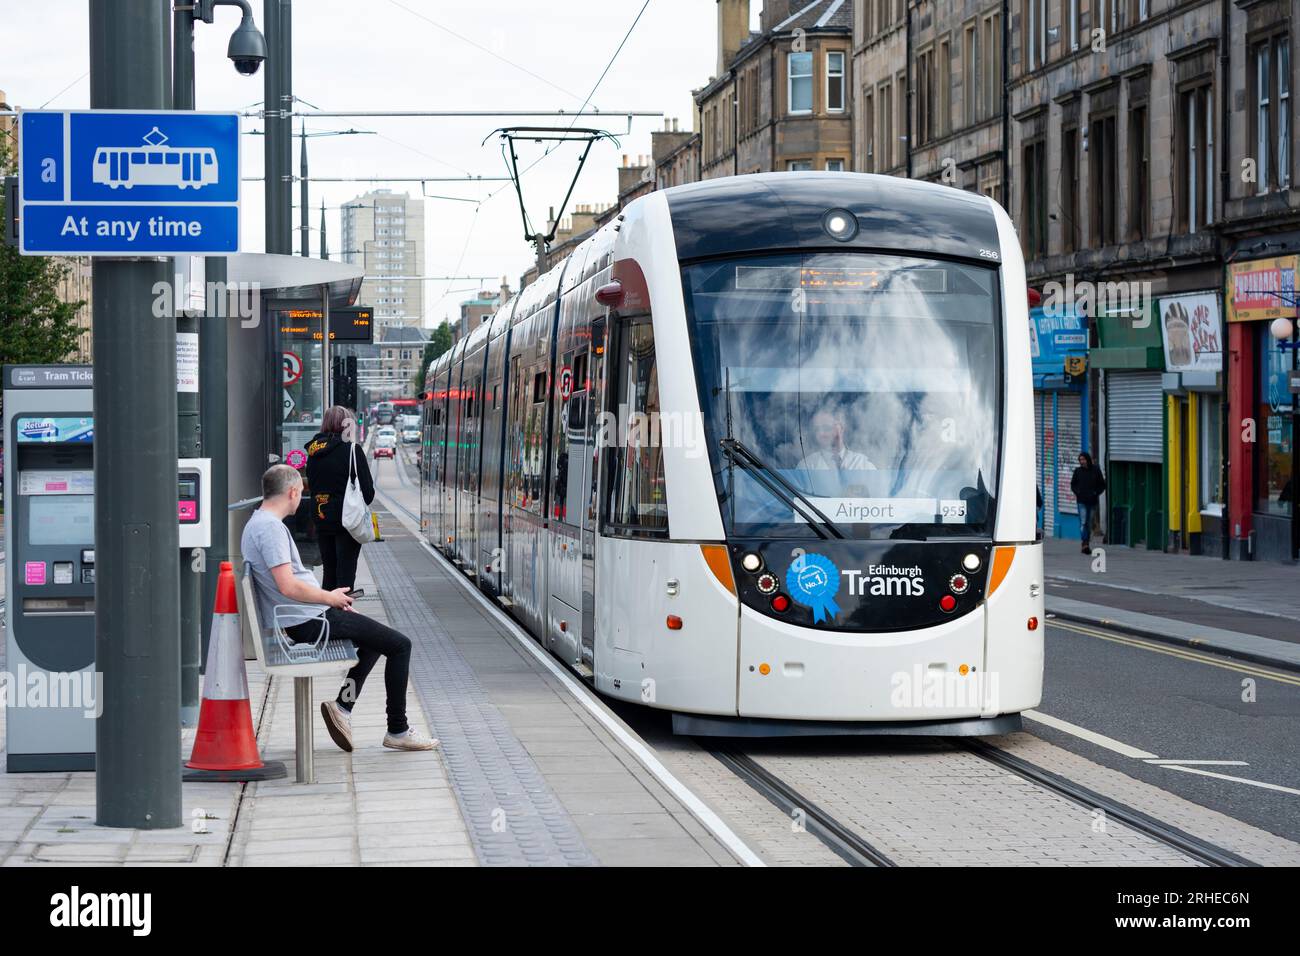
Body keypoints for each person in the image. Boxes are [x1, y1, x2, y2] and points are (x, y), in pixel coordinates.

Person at [241, 464, 436, 753]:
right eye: (300, 492)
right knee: (400, 645)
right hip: (306, 620)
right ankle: (398, 729)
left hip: (303, 616)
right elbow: (288, 586)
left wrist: (329, 596)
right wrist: (329, 599)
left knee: (372, 643)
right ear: (293, 491)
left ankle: (342, 708)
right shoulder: (270, 529)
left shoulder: (258, 523)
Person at [306, 406, 374, 597]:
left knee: (329, 573)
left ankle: (328, 618)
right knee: (345, 577)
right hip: (347, 522)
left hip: (321, 517)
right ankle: (343, 620)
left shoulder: (313, 452)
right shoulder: (352, 450)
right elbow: (368, 493)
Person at [796, 407, 875, 496]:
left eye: (826, 428)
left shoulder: (863, 464)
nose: (821, 433)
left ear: (841, 428)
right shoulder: (806, 466)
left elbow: (879, 500)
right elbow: (796, 502)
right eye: (817, 429)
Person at [1071, 452, 1107, 554]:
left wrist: (1096, 493)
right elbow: (1073, 484)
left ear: (1087, 459)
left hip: (1092, 501)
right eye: (1080, 460)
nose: (1082, 461)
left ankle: (1085, 543)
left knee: (1089, 523)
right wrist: (1078, 492)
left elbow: (1102, 485)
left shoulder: (1095, 470)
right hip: (1081, 501)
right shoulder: (1078, 471)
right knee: (1083, 522)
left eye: (1083, 459)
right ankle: (1085, 543)